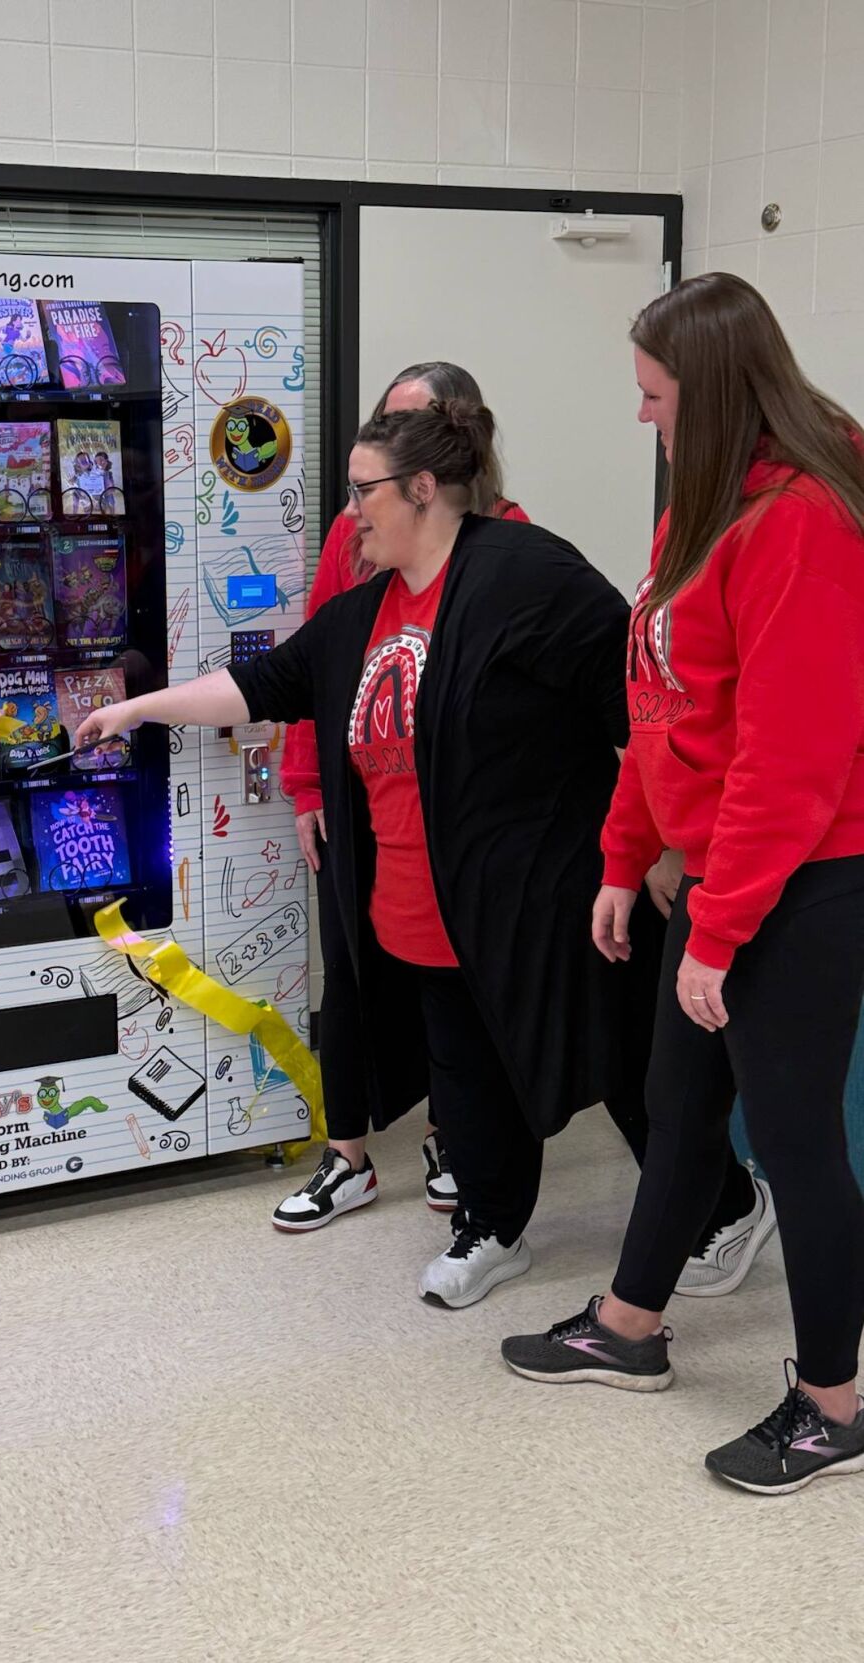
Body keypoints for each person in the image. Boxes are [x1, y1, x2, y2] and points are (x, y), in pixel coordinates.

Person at [78, 400, 762, 1309]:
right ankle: (491, 1224)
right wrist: (136, 709)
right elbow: (261, 684)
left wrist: (662, 843)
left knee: (615, 1062)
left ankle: (725, 1204)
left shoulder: (527, 576)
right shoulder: (362, 614)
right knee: (468, 1078)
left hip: (543, 895)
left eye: (365, 492)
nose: (351, 514)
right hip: (416, 906)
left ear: (425, 489)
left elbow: (639, 704)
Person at [500, 272, 864, 1495]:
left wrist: (716, 929)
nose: (640, 416)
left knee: (798, 1142)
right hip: (714, 877)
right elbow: (659, 713)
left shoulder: (801, 522)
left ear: (708, 396)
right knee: (674, 1101)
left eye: (651, 395)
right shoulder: (694, 515)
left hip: (800, 879)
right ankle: (630, 1324)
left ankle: (832, 1401)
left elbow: (789, 759)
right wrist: (621, 855)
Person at [279, 361, 532, 1226]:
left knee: (455, 982)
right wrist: (306, 780)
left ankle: (453, 1139)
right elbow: (306, 666)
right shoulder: (354, 535)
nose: (388, 449)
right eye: (385, 423)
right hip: (360, 799)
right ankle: (346, 1152)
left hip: (455, 817)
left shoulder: (508, 543)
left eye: (411, 429)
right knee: (351, 973)